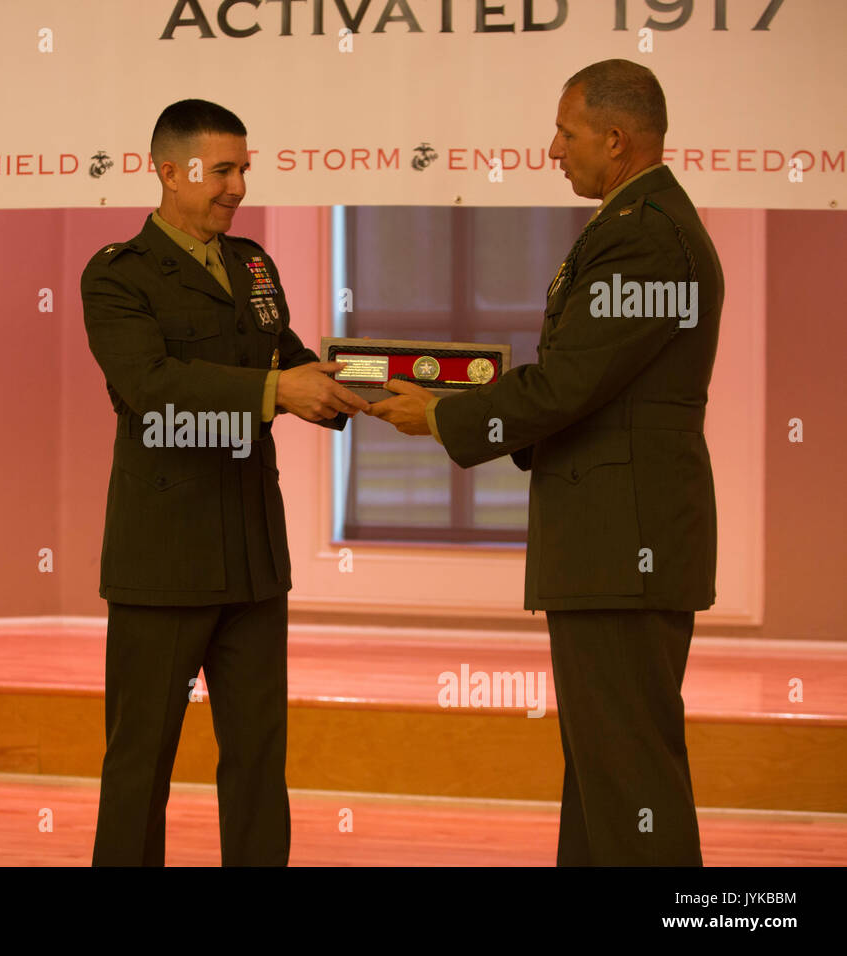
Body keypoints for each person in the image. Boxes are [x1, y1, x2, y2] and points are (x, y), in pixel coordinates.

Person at [366, 60, 723, 866]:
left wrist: (445, 414)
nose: (553, 148)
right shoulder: (639, 222)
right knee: (603, 780)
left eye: (566, 132)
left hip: (622, 546)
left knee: (630, 784)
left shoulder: (644, 235)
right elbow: (580, 380)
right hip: (618, 543)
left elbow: (569, 383)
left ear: (616, 139)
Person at [81, 99, 367, 866]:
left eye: (244, 167)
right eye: (223, 170)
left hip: (252, 560)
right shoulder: (117, 276)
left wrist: (393, 382)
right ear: (169, 173)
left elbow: (294, 360)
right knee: (141, 766)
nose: (239, 186)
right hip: (162, 565)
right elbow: (150, 385)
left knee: (256, 766)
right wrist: (277, 392)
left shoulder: (253, 265)